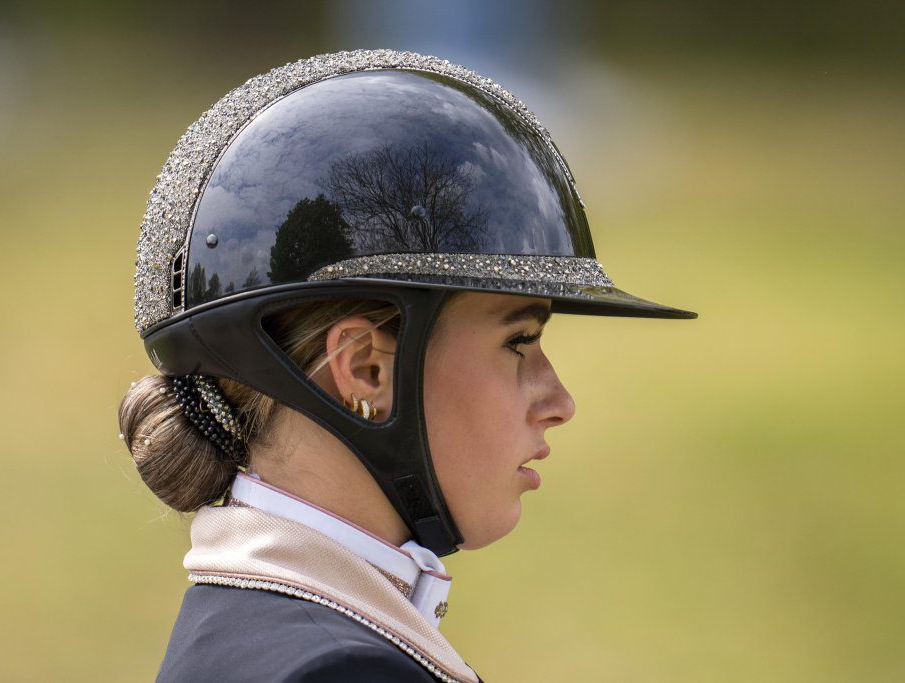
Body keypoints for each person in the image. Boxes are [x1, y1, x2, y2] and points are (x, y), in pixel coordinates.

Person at [119, 49, 697, 682]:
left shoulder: (253, 629)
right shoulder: (336, 671)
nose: (560, 402)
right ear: (367, 368)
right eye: (519, 341)